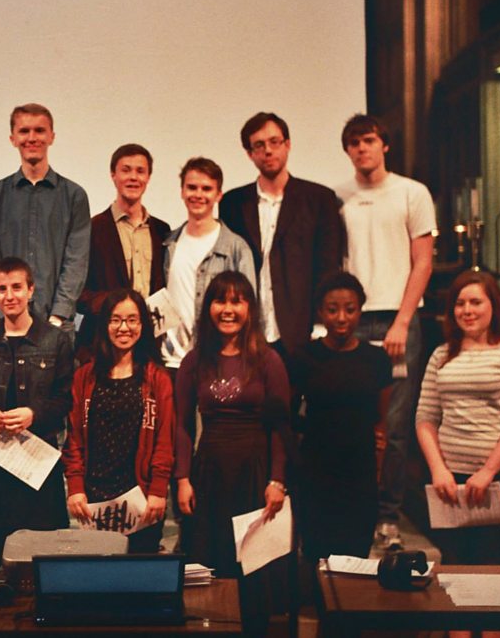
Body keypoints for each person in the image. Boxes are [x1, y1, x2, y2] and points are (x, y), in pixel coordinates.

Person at [335, 114, 435, 548]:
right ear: (348, 150)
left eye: (369, 140)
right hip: (351, 320)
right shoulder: (338, 197)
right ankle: (354, 508)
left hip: (398, 319)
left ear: (385, 144)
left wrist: (402, 322)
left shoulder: (412, 192)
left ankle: (388, 515)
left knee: (394, 425)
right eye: (354, 142)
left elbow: (423, 261)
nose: (362, 148)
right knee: (353, 421)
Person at [173, 270, 290, 635]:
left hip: (255, 475)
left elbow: (281, 428)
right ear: (208, 307)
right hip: (209, 474)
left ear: (249, 308)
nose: (228, 309)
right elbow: (182, 425)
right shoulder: (194, 360)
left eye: (237, 301)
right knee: (211, 562)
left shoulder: (268, 359)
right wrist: (182, 478)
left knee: (253, 567)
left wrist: (277, 480)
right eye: (220, 300)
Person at [416, 270, 500, 569]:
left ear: (494, 305)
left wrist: (487, 471)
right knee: (453, 568)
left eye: (475, 302)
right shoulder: (441, 355)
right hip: (449, 481)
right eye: (460, 304)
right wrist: (438, 469)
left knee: (490, 569)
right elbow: (425, 417)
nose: (467, 310)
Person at [220, 112, 344, 365]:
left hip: (301, 331)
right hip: (249, 332)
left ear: (288, 144)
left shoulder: (319, 199)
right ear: (249, 153)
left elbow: (328, 266)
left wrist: (321, 324)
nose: (268, 150)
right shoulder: (233, 203)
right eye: (259, 145)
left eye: (274, 142)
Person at [0, 257, 74, 553]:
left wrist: (33, 414)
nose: (9, 296)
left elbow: (66, 398)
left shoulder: (56, 340)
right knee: (4, 550)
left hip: (38, 458)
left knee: (46, 547)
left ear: (30, 290)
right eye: (1, 289)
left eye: (16, 287)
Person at [289, 272, 391, 562]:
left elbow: (381, 422)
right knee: (315, 554)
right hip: (315, 471)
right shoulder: (304, 356)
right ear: (321, 313)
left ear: (360, 311)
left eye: (350, 309)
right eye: (332, 310)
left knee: (355, 557)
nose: (341, 318)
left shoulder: (377, 360)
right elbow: (289, 414)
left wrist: (378, 473)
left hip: (360, 472)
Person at [63, 289, 174, 554]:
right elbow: (74, 439)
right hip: (94, 500)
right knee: (99, 576)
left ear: (142, 325)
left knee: (140, 574)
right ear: (105, 325)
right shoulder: (85, 377)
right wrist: (75, 488)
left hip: (141, 500)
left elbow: (164, 441)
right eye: (116, 320)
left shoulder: (157, 379)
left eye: (132, 320)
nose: (124, 327)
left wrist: (158, 490)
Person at [0, 103, 89, 334]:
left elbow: (76, 261)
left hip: (57, 325)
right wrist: (2, 312)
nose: (32, 138)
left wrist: (57, 317)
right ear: (13, 139)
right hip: (7, 322)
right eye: (24, 131)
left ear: (52, 137)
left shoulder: (74, 196)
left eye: (39, 131)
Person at [161, 157, 256, 371]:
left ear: (218, 195)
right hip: (170, 361)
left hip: (215, 362)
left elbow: (249, 311)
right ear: (182, 191)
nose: (198, 194)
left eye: (206, 189)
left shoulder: (237, 249)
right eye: (192, 187)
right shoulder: (167, 245)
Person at [77, 144, 170, 358]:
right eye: (126, 170)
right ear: (113, 175)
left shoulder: (161, 230)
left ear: (148, 177)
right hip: (102, 346)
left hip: (148, 346)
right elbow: (78, 294)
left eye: (140, 171)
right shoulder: (93, 229)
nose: (133, 177)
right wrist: (116, 306)